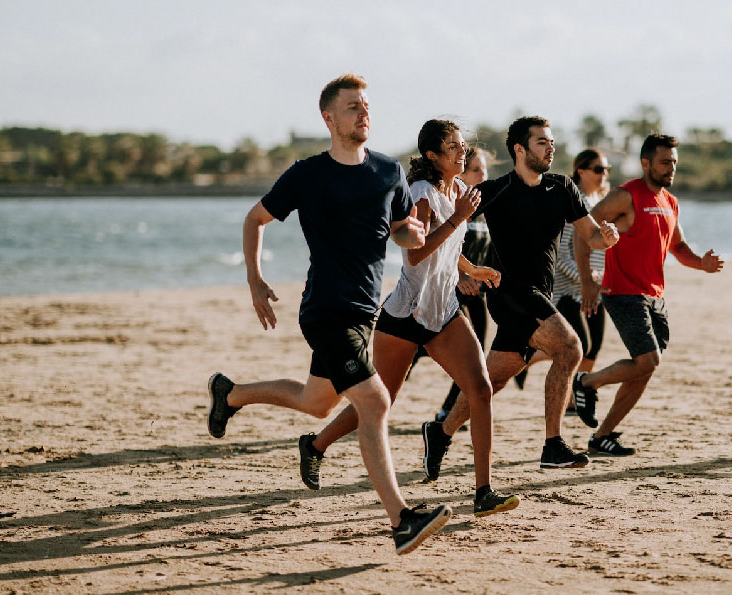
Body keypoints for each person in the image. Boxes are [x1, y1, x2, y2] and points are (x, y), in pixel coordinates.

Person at [205, 74, 451, 555]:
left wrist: (413, 236)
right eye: (353, 107)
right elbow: (255, 219)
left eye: (366, 106)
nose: (364, 113)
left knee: (316, 403)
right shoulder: (307, 174)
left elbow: (402, 228)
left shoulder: (388, 172)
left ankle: (229, 393)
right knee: (375, 403)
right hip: (324, 310)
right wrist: (254, 278)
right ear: (329, 118)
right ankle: (401, 519)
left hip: (364, 312)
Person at [298, 120, 519, 518]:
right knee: (381, 401)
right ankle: (315, 445)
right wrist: (459, 218)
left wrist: (473, 269)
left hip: (444, 312)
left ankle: (483, 491)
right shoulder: (421, 194)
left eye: (462, 144)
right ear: (433, 155)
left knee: (481, 389)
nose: (461, 151)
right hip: (405, 314)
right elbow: (416, 253)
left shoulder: (459, 192)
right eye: (452, 147)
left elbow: (447, 249)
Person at [420, 116, 619, 479]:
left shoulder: (562, 188)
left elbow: (591, 237)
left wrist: (607, 237)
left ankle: (440, 432)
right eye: (542, 142)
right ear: (519, 149)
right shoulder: (496, 190)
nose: (550, 147)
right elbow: (448, 230)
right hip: (509, 292)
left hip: (540, 293)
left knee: (491, 382)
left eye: (551, 141)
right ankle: (552, 445)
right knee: (570, 348)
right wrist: (464, 272)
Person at [573, 134, 724, 456]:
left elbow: (678, 247)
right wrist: (587, 281)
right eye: (664, 162)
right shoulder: (624, 196)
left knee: (645, 368)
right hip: (623, 292)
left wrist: (702, 264)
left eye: (674, 163)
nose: (671, 168)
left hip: (655, 295)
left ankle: (602, 437)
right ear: (646, 163)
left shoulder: (670, 201)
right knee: (648, 360)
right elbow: (581, 231)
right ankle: (586, 383)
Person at [512, 149, 612, 432]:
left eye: (606, 170)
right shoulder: (574, 200)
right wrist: (586, 279)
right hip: (569, 290)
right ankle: (531, 360)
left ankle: (574, 399)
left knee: (594, 348)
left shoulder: (599, 202)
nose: (603, 174)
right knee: (581, 346)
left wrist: (600, 277)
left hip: (595, 286)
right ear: (580, 170)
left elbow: (600, 251)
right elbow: (563, 255)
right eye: (597, 169)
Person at [432, 146, 496, 423]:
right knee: (422, 350)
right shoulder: (453, 208)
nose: (483, 175)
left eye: (485, 170)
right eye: (476, 170)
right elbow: (437, 248)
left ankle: (448, 408)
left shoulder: (485, 210)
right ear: (461, 174)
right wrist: (460, 277)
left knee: (475, 356)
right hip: (449, 293)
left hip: (476, 296)